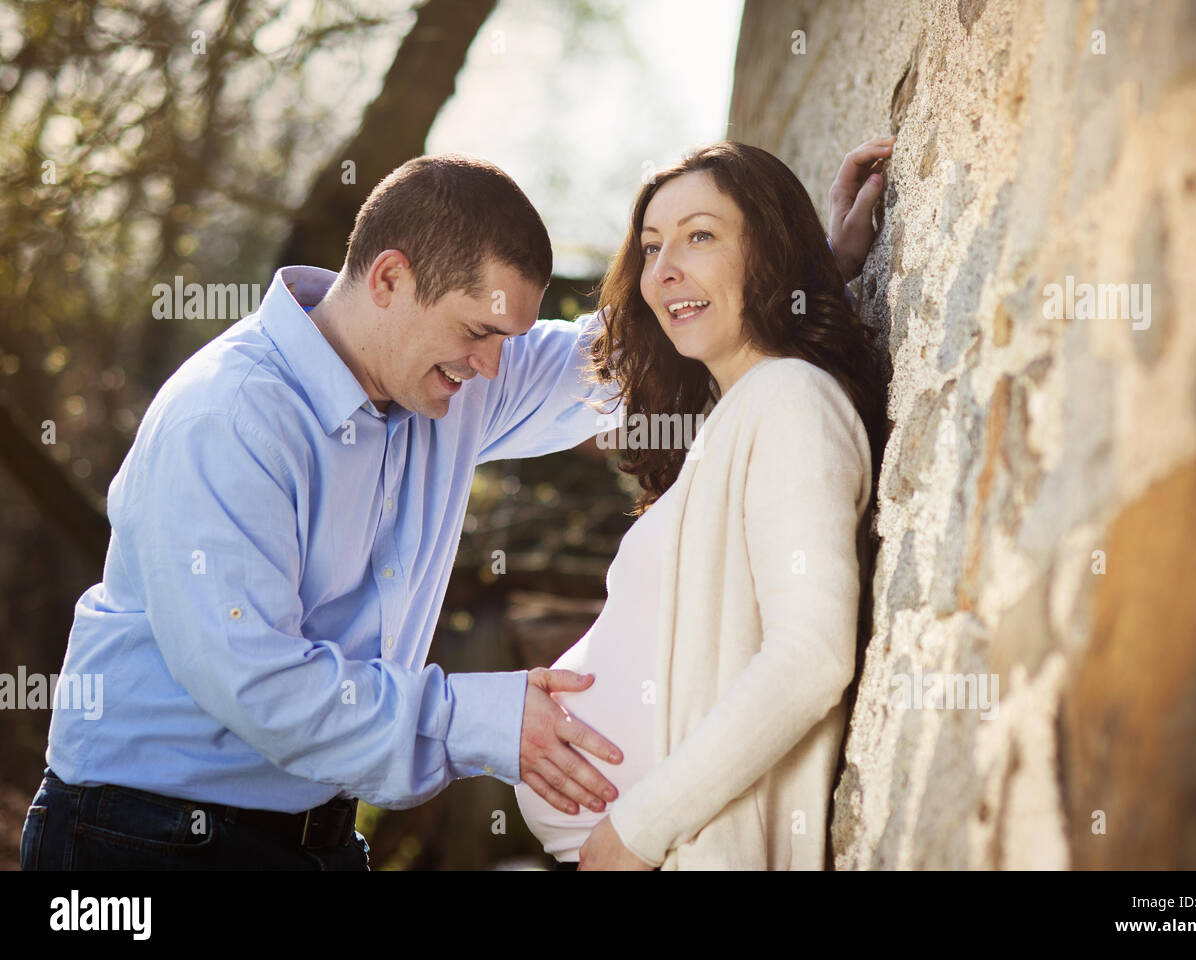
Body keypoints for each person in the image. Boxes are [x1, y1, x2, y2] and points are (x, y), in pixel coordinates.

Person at [19, 155, 629, 870]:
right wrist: (480, 721)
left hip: (316, 838)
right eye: (478, 331)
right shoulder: (229, 417)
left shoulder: (450, 376)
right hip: (142, 840)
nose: (493, 365)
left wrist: (696, 263)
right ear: (390, 280)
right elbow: (264, 685)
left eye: (508, 340)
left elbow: (621, 362)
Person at [513, 137, 895, 870]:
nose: (663, 270)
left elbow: (810, 655)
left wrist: (636, 829)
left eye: (700, 236)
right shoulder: (736, 415)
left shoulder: (790, 398)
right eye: (652, 247)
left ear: (770, 251)